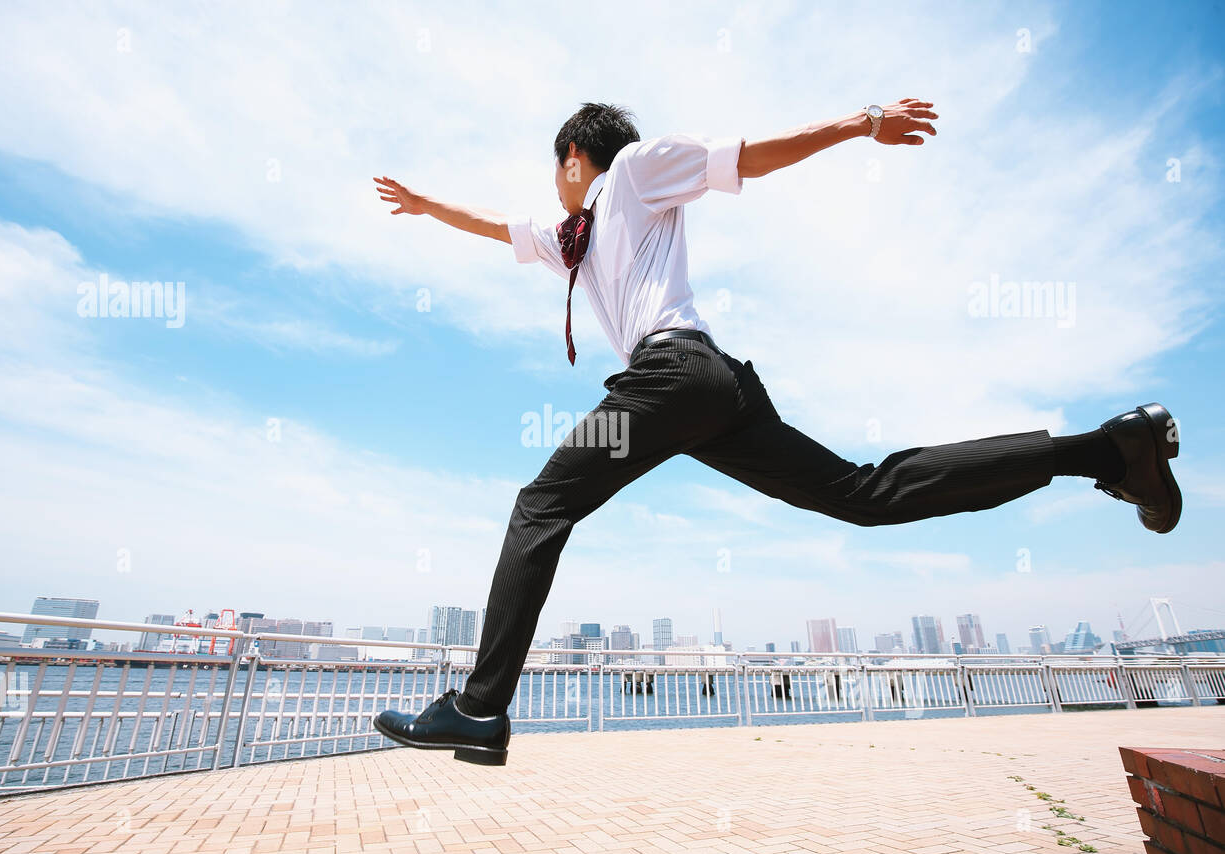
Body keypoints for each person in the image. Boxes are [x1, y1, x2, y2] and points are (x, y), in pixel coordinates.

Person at [370, 100, 1182, 766]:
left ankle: (479, 709)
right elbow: (495, 225)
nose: (552, 186)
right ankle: (1108, 450)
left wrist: (862, 123)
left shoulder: (635, 172)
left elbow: (746, 156)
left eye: (555, 167)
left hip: (673, 377)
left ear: (577, 154)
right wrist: (426, 206)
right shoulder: (574, 243)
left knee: (538, 506)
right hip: (709, 396)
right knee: (865, 496)